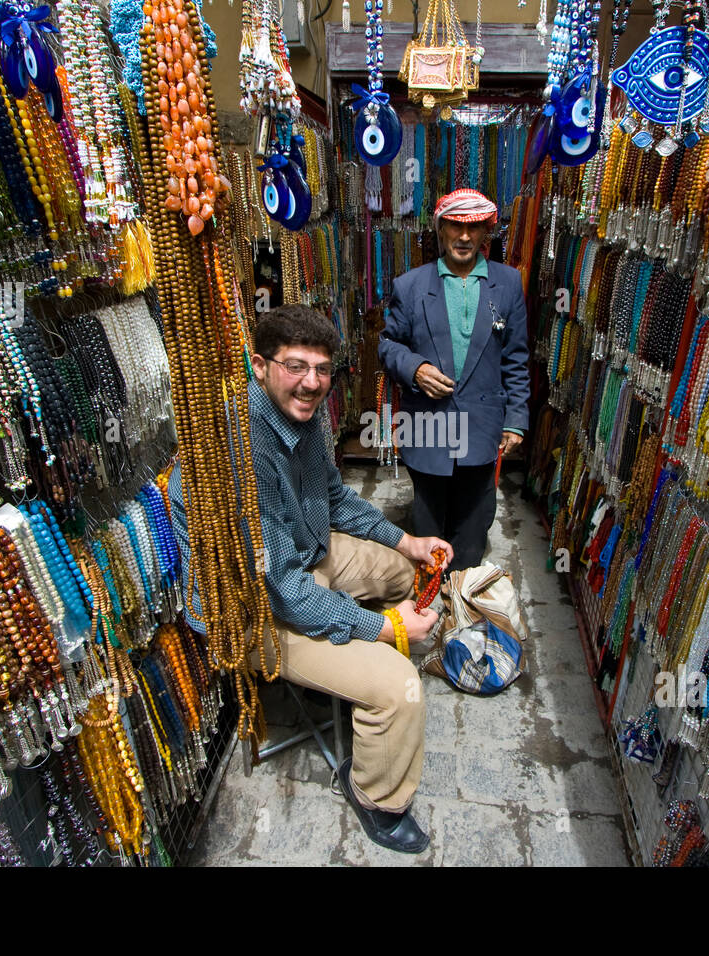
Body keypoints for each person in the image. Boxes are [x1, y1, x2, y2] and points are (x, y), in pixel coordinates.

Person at [168, 304, 452, 854]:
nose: (312, 382)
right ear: (259, 364)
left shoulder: (305, 414)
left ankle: (343, 677)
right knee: (399, 687)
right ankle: (377, 797)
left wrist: (408, 543)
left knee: (401, 570)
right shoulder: (241, 446)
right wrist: (385, 628)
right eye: (296, 366)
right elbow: (289, 597)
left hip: (300, 559)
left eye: (322, 370)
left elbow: (334, 500)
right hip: (251, 608)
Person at [378, 188, 531, 572]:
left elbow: (516, 357)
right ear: (440, 229)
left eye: (474, 228)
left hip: (483, 424)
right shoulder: (411, 286)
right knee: (428, 517)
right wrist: (414, 368)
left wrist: (516, 419)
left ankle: (463, 598)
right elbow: (387, 344)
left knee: (475, 521)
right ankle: (429, 596)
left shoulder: (508, 283)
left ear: (485, 233)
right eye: (455, 226)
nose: (464, 237)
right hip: (428, 424)